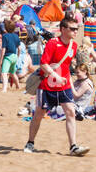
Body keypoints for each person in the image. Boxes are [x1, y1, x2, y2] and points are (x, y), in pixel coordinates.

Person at [24, 18, 89, 156]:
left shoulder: (74, 45)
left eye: (77, 28)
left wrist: (69, 83)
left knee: (71, 112)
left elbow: (66, 67)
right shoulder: (53, 43)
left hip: (63, 86)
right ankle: (30, 142)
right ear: (63, 29)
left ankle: (73, 146)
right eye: (72, 29)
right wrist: (56, 76)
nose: (76, 31)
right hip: (46, 85)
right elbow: (43, 64)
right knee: (39, 115)